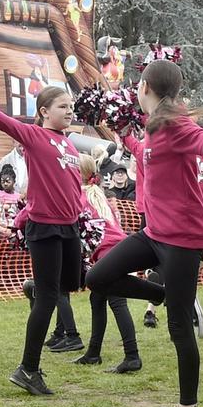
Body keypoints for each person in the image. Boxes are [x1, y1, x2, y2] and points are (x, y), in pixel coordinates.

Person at [83, 59, 203, 407]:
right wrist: (125, 136)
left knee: (178, 330)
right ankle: (164, 295)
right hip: (154, 233)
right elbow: (146, 152)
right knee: (97, 278)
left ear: (144, 87)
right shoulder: (154, 126)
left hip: (182, 240)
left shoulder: (177, 124)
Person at [0, 85, 87, 395]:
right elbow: (3, 121)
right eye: (62, 106)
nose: (69, 110)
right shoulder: (35, 136)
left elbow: (73, 186)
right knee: (49, 298)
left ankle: (36, 287)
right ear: (44, 112)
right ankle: (28, 369)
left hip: (70, 226)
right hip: (45, 227)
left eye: (71, 106)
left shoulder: (69, 143)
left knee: (72, 283)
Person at [72, 153, 142, 372]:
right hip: (117, 249)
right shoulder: (98, 194)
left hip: (108, 253)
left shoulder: (79, 196)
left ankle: (132, 356)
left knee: (117, 301)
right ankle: (93, 353)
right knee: (97, 298)